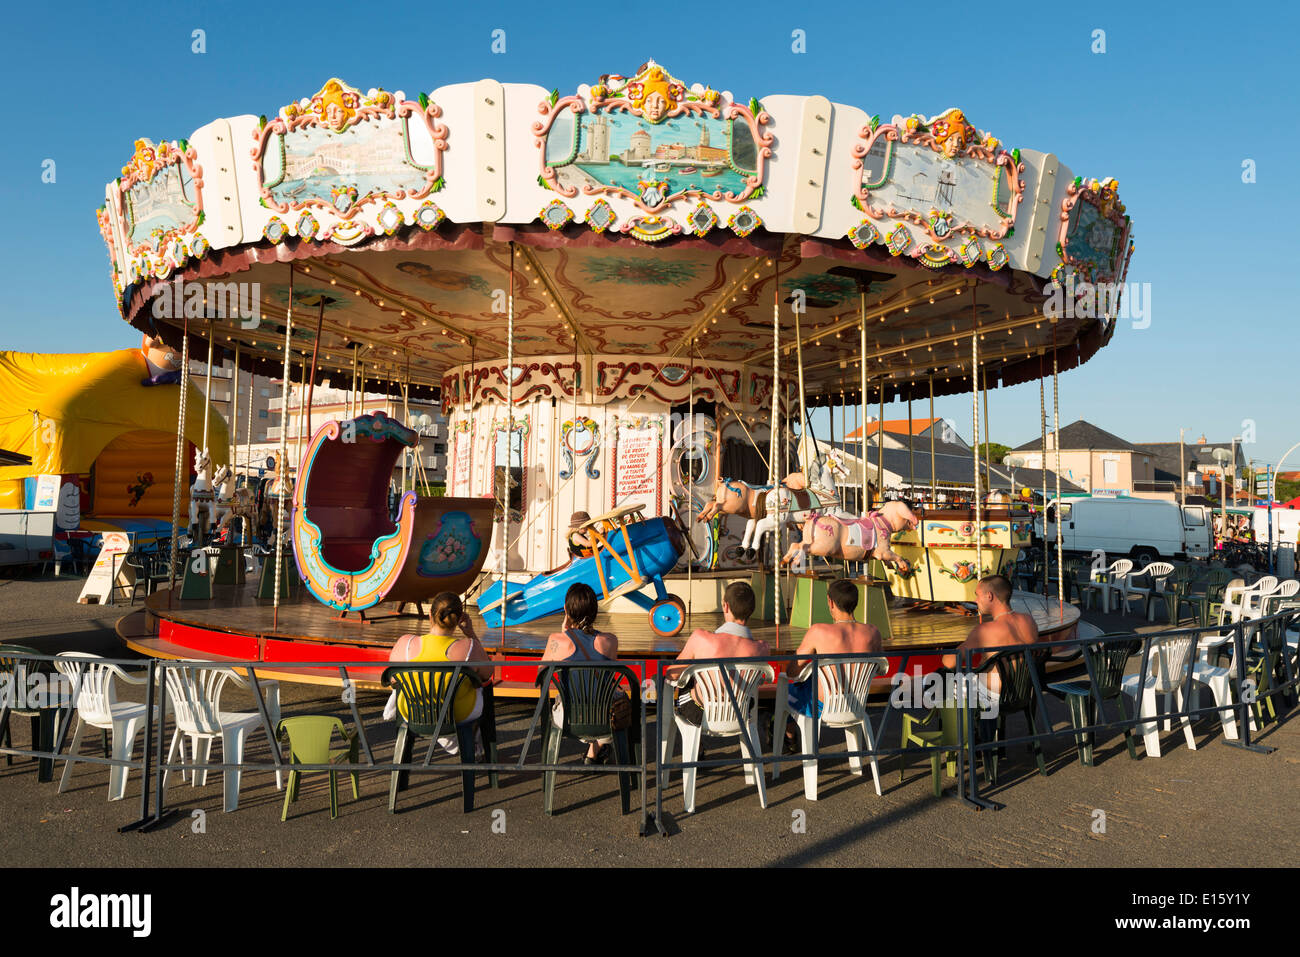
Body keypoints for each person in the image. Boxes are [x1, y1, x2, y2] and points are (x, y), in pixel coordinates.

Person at [383, 592, 493, 756]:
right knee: (482, 687)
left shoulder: (405, 643)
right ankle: (473, 744)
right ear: (459, 618)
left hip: (412, 712)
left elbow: (393, 680)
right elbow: (489, 673)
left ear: (430, 615)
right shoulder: (469, 647)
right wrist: (470, 633)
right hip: (458, 713)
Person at [781, 579, 881, 744]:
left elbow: (793, 671)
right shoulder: (873, 632)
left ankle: (788, 737)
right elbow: (879, 669)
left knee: (787, 692)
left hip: (822, 705)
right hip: (857, 704)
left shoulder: (819, 631)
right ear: (856, 602)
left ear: (830, 602)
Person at [665, 581, 770, 725]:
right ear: (752, 610)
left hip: (702, 713)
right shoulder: (762, 649)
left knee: (684, 680)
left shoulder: (701, 638)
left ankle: (696, 746)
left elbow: (672, 674)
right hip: (741, 713)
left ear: (725, 606)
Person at [539, 583, 621, 764]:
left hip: (568, 717)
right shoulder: (610, 641)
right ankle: (595, 750)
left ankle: (592, 752)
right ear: (595, 611)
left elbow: (541, 675)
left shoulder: (556, 640)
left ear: (566, 610)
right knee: (610, 697)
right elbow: (609, 677)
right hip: (605, 719)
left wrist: (564, 633)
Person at [940, 574, 1038, 701]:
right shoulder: (1029, 620)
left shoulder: (984, 630)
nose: (975, 600)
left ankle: (933, 719)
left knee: (935, 684)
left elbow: (949, 662)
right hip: (1024, 692)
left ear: (989, 596)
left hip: (990, 695)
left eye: (977, 595)